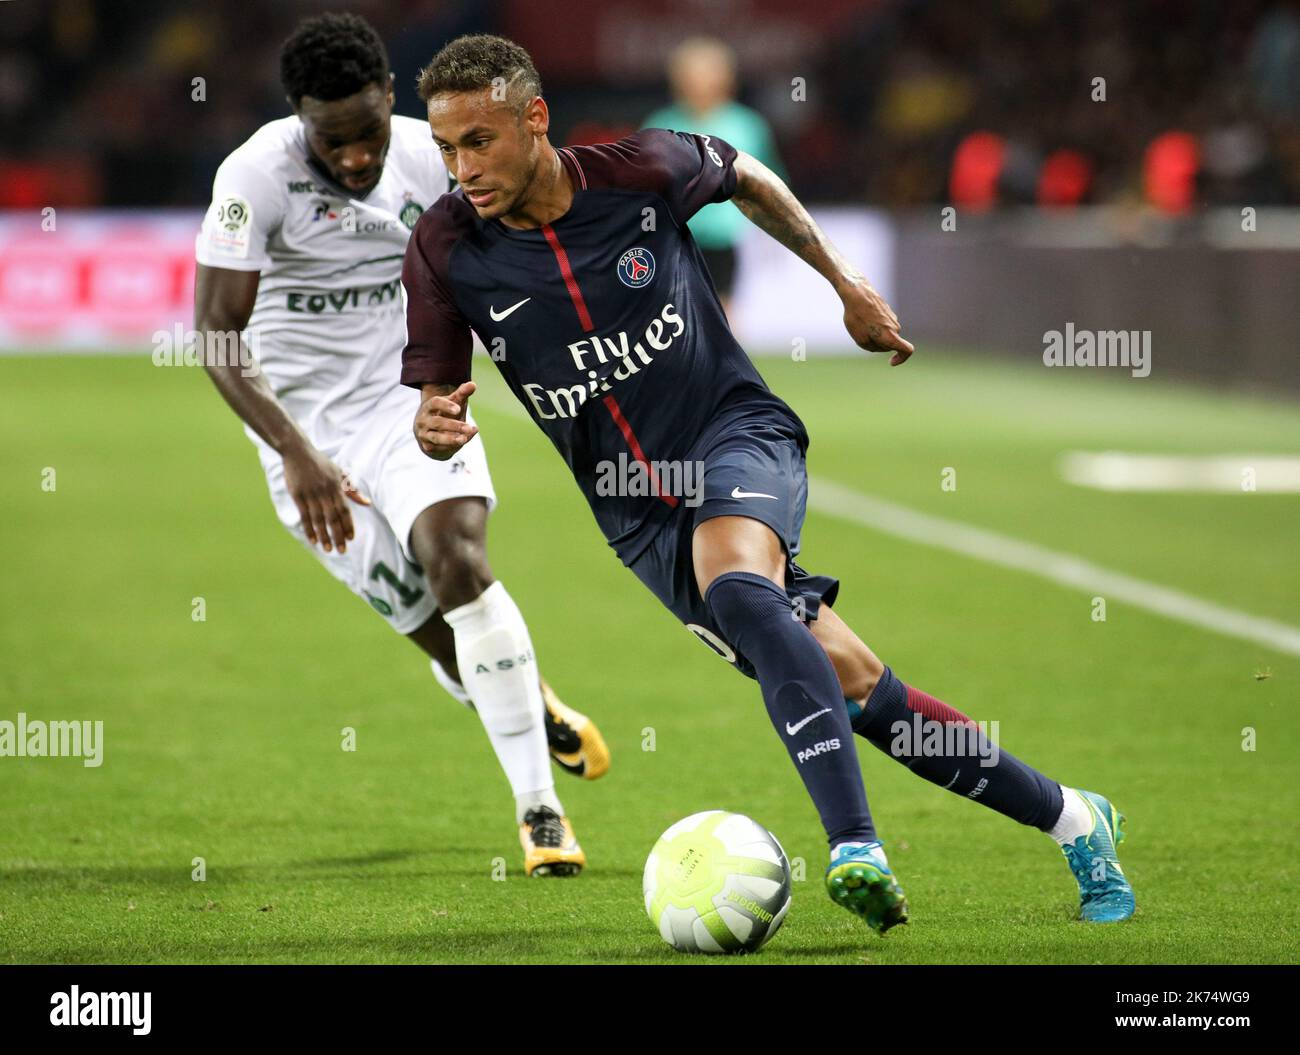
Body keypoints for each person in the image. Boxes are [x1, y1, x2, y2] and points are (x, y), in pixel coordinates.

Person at [401, 34, 1135, 932]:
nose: (461, 167)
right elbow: (438, 394)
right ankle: (1073, 816)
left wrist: (843, 281)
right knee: (864, 690)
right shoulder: (443, 245)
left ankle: (854, 843)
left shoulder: (643, 167)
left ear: (534, 119)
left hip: (732, 431)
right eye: (445, 148)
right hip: (636, 519)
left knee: (741, 585)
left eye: (479, 141)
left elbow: (747, 176)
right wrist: (435, 423)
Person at [192, 13, 607, 879]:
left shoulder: (432, 155)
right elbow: (218, 336)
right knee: (441, 632)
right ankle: (522, 693)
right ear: (300, 118)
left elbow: (516, 249)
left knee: (457, 562)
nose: (353, 157)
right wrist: (297, 453)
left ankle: (539, 810)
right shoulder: (251, 178)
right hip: (298, 430)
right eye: (330, 140)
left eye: (366, 133)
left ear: (391, 96)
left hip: (412, 400)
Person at [642, 36, 786, 322]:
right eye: (690, 76)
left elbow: (770, 179)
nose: (697, 83)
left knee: (722, 309)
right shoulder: (659, 125)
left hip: (723, 239)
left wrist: (775, 226)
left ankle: (726, 362)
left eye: (705, 74)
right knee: (674, 311)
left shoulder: (746, 126)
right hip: (674, 236)